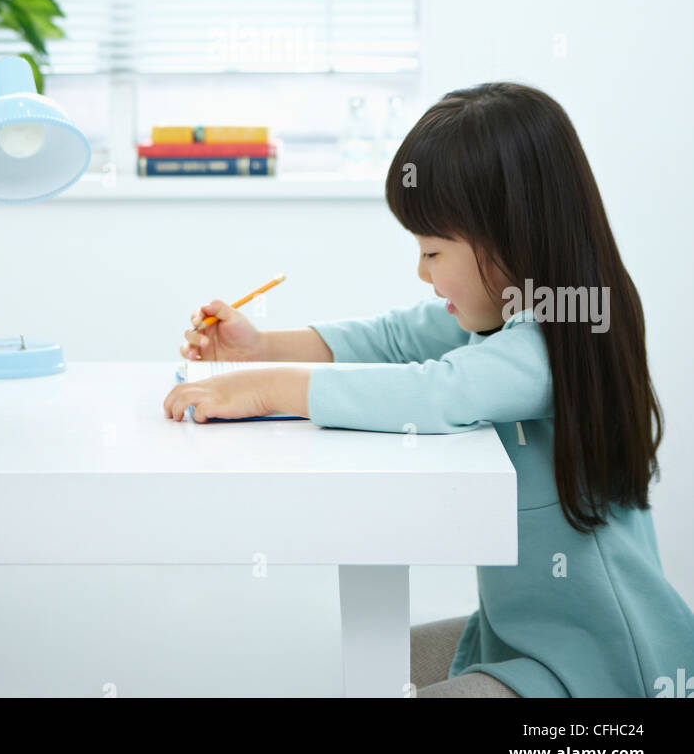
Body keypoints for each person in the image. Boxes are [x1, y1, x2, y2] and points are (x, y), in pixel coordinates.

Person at [163, 81, 694, 697]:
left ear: (509, 240)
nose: (422, 272)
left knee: (367, 669)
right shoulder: (507, 312)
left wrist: (269, 389)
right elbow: (392, 339)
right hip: (518, 640)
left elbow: (441, 393)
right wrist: (261, 347)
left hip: (598, 677)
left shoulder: (553, 339)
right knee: (354, 663)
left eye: (434, 251)